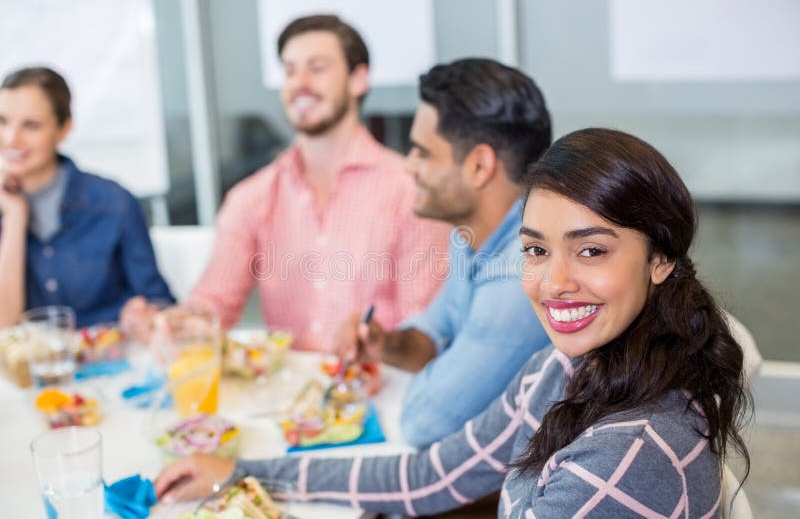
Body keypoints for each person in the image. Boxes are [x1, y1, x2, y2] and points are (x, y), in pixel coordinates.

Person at [155, 128, 751, 517]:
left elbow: (427, 434)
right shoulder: (565, 367)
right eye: (537, 250)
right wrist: (245, 471)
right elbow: (428, 475)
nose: (554, 281)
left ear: (661, 258)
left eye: (591, 250)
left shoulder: (628, 457)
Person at [122, 15, 449, 350]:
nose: (299, 82)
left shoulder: (411, 192)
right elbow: (215, 303)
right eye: (290, 71)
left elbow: (425, 331)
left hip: (389, 394)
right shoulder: (252, 196)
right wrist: (169, 323)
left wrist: (377, 346)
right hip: (290, 396)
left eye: (317, 68)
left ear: (358, 80)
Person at [334, 58, 552, 447]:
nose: (409, 166)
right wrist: (387, 345)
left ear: (479, 165)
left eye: (422, 152)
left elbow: (424, 423)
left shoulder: (521, 277)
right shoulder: (473, 233)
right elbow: (437, 329)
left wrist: (436, 366)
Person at [0, 66, 173, 328]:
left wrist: (144, 315)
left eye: (31, 125)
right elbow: (4, 325)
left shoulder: (114, 202)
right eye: (2, 121)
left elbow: (159, 302)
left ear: (64, 129)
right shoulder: (6, 208)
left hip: (109, 360)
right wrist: (14, 216)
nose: (11, 138)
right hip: (31, 366)